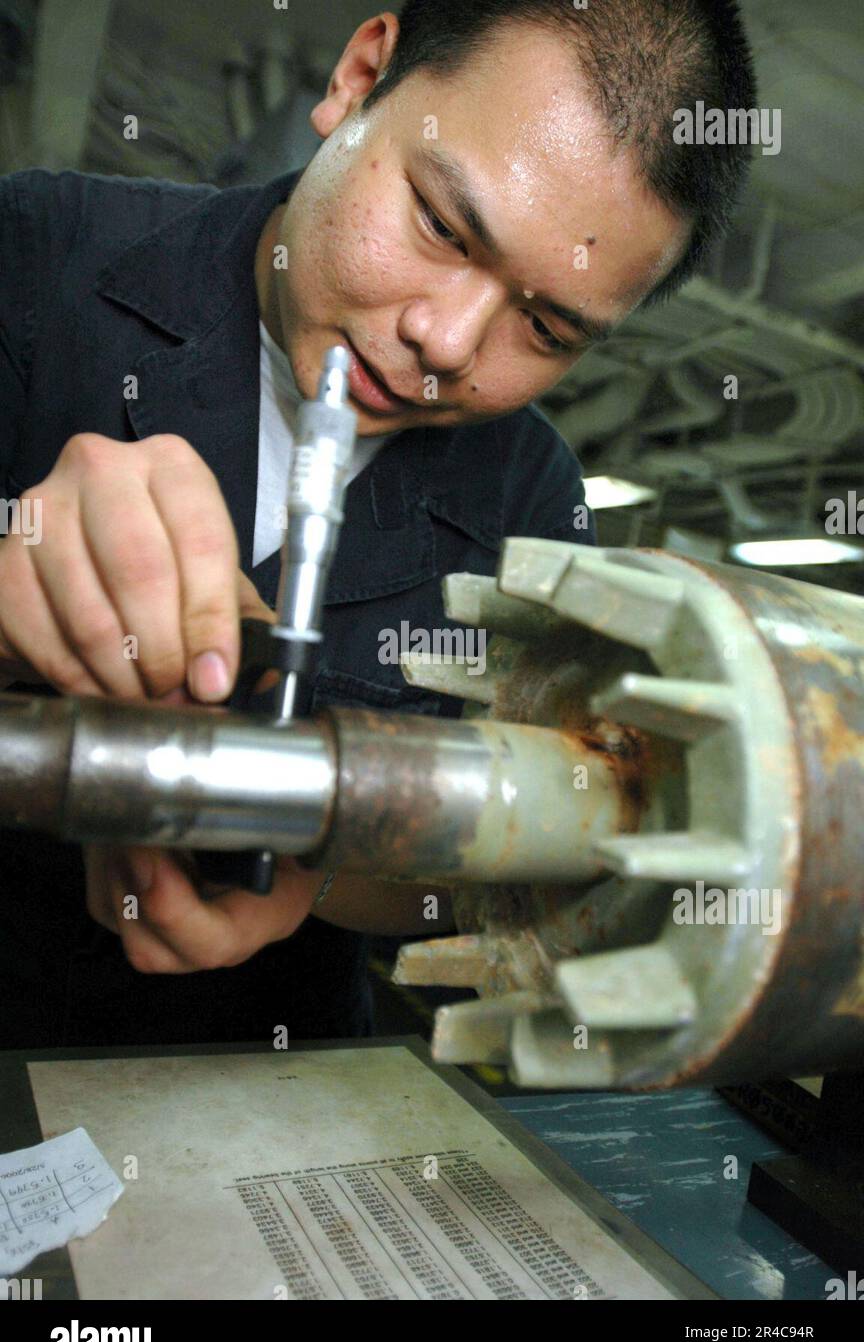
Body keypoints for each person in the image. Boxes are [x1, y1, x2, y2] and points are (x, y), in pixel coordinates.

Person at [0, 0, 757, 1047]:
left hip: (269, 1073)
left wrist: (318, 866)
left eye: (543, 327)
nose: (444, 341)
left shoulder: (532, 503)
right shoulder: (32, 262)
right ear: (361, 78)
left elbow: (508, 861)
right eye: (442, 226)